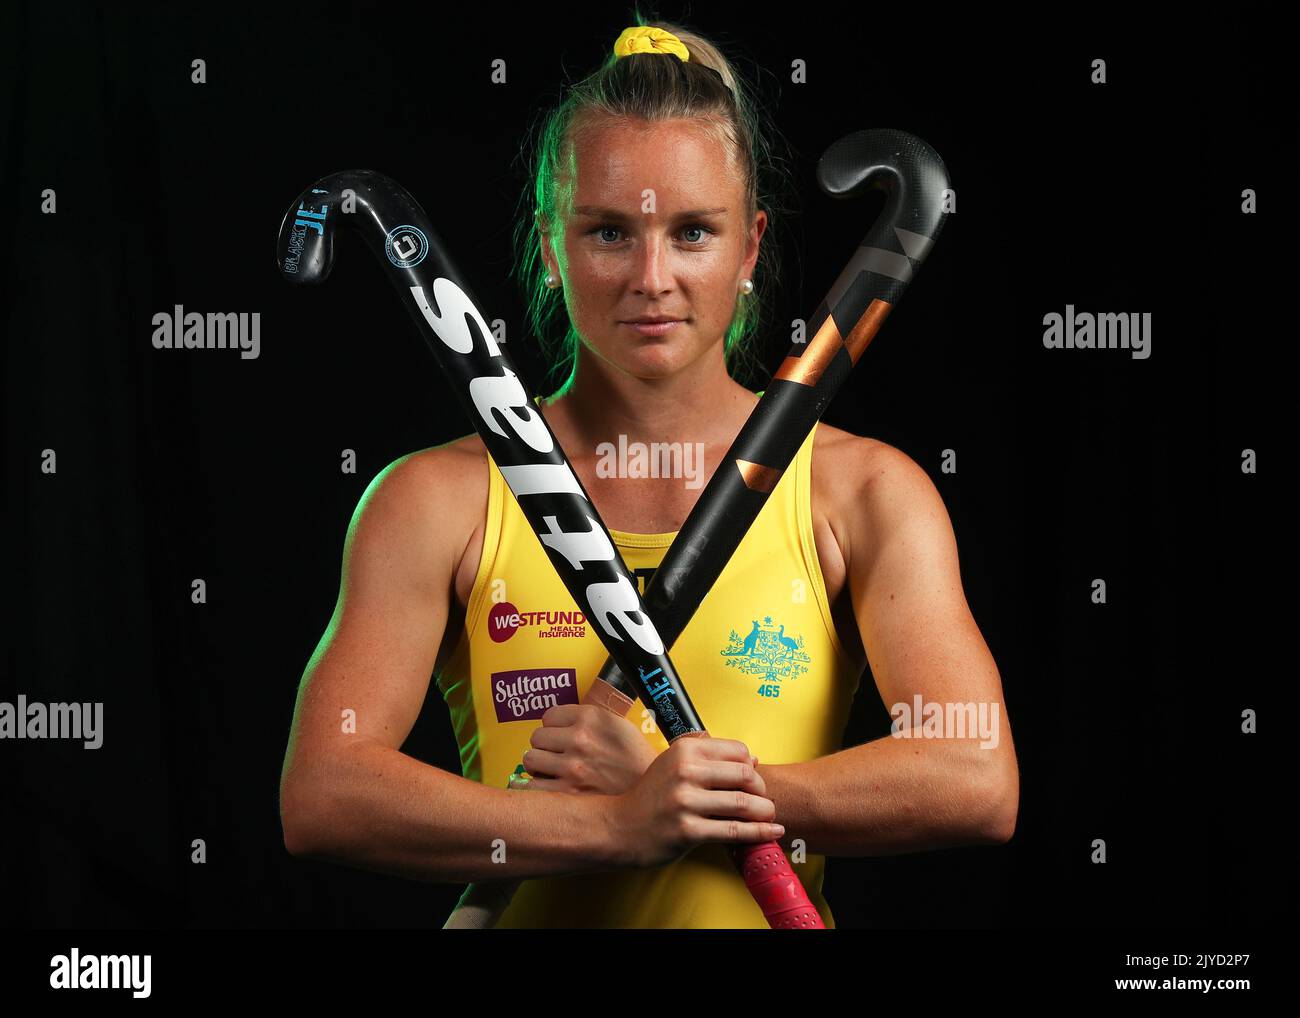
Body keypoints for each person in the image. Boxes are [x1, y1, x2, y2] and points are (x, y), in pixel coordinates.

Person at [279, 16, 1018, 929]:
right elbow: (325, 794)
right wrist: (616, 826)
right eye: (609, 233)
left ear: (749, 249)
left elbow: (975, 775)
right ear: (551, 248)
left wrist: (698, 794)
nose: (653, 277)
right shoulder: (432, 498)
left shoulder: (861, 492)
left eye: (694, 232)